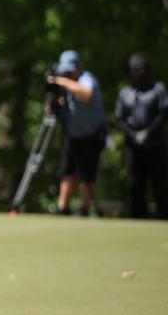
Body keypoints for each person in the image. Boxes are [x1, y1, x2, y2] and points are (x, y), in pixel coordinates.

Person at [46, 50, 107, 216]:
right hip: (71, 134)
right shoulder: (66, 85)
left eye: (70, 71)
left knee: (87, 174)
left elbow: (86, 94)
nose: (68, 74)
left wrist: (62, 81)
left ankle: (84, 208)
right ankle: (63, 207)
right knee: (67, 171)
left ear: (79, 67)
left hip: (91, 135)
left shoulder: (87, 79)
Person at [114, 54, 167, 219]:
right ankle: (138, 217)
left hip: (155, 144)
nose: (136, 73)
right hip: (133, 145)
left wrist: (148, 133)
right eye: (133, 70)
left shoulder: (158, 89)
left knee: (159, 182)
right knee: (135, 183)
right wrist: (133, 134)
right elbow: (119, 118)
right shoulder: (125, 93)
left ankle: (164, 216)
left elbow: (164, 113)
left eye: (139, 69)